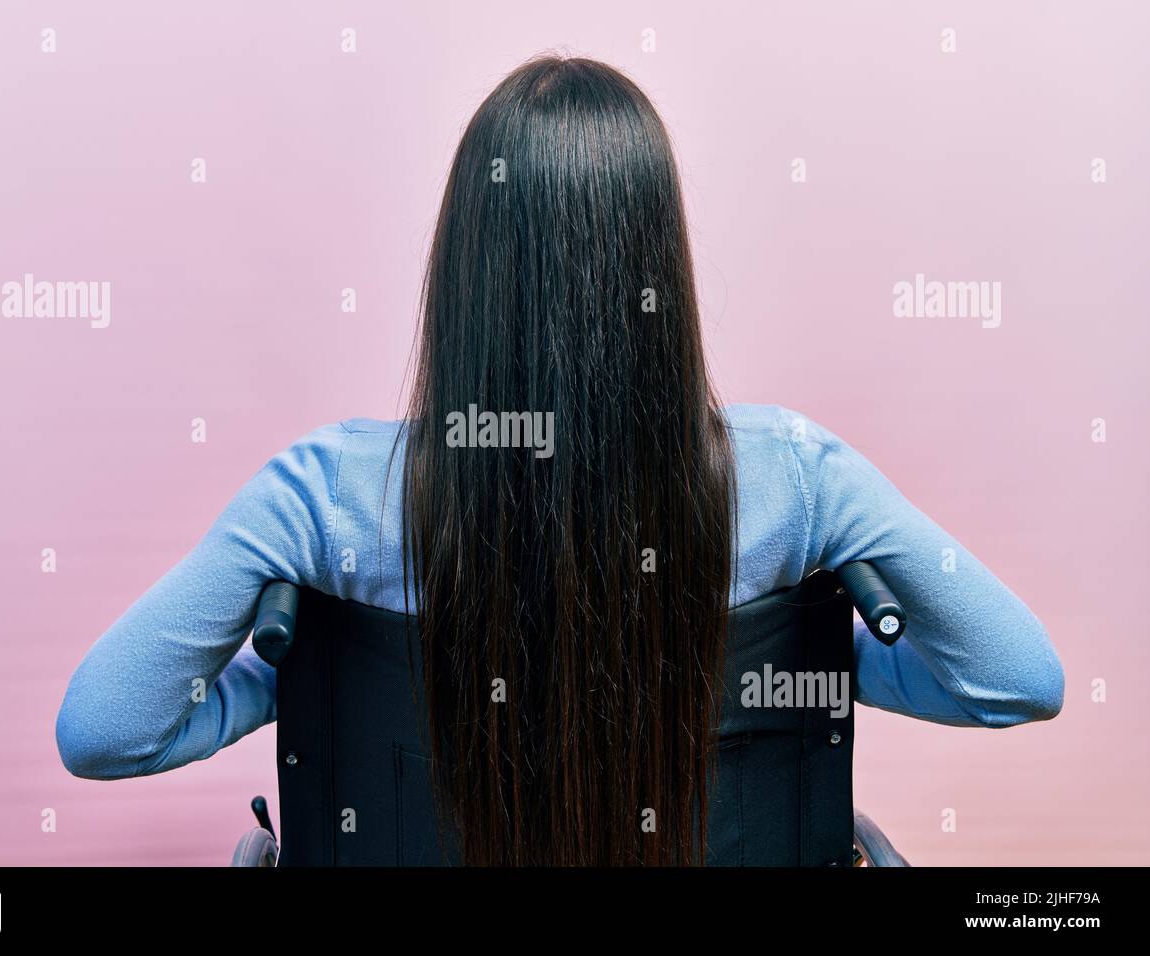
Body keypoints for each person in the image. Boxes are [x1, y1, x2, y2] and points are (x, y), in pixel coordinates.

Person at [56, 55, 1063, 866]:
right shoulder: (797, 478)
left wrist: (298, 682)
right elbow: (1013, 679)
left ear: (464, 269)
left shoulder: (320, 497)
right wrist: (792, 673)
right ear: (660, 264)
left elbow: (105, 729)